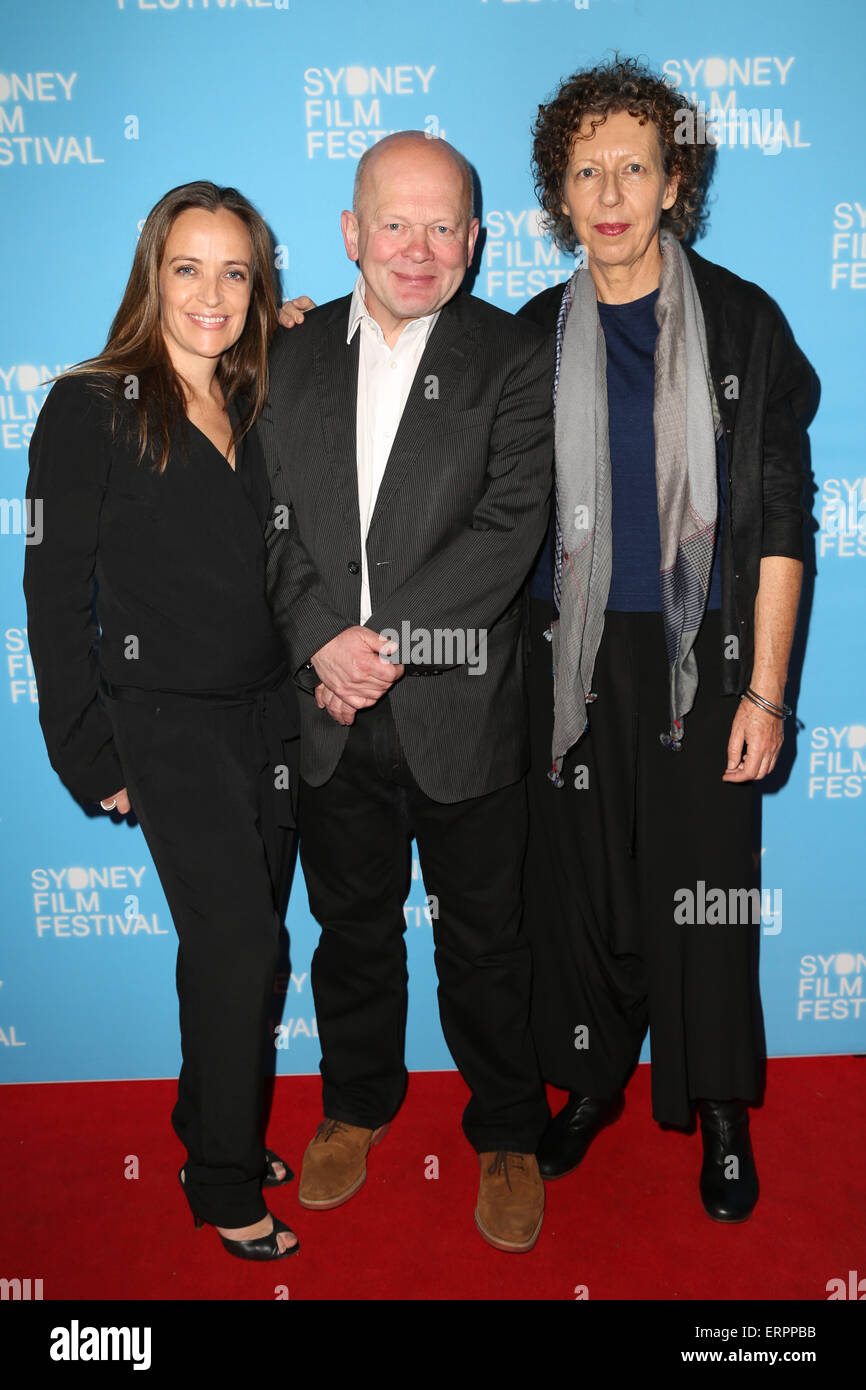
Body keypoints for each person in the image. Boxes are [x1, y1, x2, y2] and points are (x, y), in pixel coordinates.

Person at [518, 57, 813, 1221]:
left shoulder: (742, 321)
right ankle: (590, 1079)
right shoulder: (533, 335)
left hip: (708, 652)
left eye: (632, 164)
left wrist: (770, 693)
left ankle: (720, 1109)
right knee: (584, 892)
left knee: (706, 893)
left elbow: (783, 520)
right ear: (558, 192)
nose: (608, 188)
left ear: (672, 180)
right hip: (573, 655)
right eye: (583, 168)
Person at [258, 131, 554, 1252]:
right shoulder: (284, 359)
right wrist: (316, 641)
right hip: (326, 712)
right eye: (395, 222)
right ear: (350, 232)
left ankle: (507, 1131)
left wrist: (374, 646)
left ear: (474, 240)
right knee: (350, 928)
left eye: (443, 226)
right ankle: (355, 1103)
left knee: (486, 937)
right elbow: (268, 519)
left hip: (459, 705)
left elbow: (506, 527)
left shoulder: (511, 358)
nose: (418, 249)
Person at [23, 181, 301, 1261]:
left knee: (247, 949)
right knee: (237, 948)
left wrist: (301, 321)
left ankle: (206, 1122)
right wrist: (91, 753)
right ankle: (221, 1176)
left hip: (268, 719)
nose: (212, 292)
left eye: (235, 271)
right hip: (162, 724)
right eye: (188, 267)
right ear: (151, 274)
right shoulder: (88, 404)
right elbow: (55, 595)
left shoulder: (261, 394)